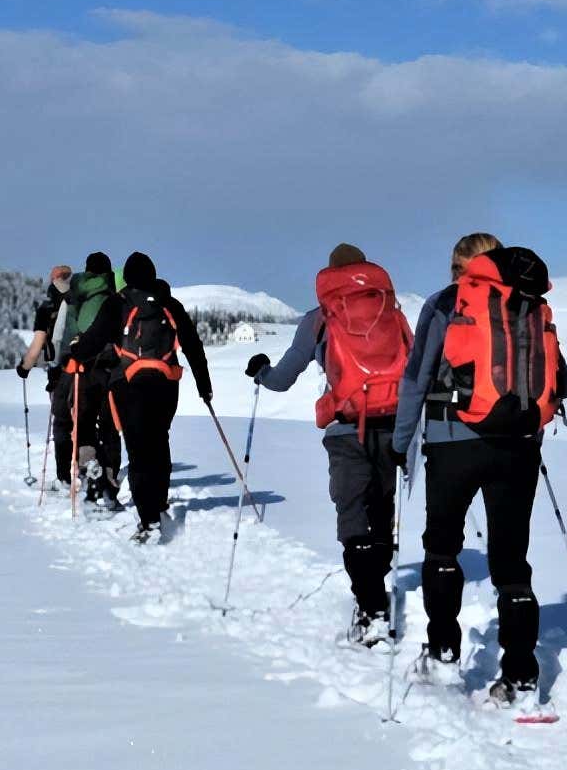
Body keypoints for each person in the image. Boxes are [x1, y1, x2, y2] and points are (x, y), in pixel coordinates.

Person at [390, 233, 567, 707]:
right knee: (512, 563)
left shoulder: (445, 303)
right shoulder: (530, 304)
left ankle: (443, 653)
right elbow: (564, 381)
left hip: (453, 443)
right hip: (518, 449)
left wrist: (400, 442)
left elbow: (417, 376)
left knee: (442, 547)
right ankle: (520, 675)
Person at [246, 243, 412, 645]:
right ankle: (376, 588)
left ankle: (370, 607)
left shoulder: (319, 318)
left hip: (345, 428)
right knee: (381, 510)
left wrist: (262, 372)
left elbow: (284, 378)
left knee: (352, 514)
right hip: (393, 426)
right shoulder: (392, 311)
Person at [69, 251, 213, 542]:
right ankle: (159, 503)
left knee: (137, 450)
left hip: (128, 383)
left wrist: (76, 355)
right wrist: (204, 386)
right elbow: (193, 345)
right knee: (159, 440)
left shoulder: (117, 303)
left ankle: (148, 520)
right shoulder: (169, 304)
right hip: (166, 383)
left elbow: (94, 339)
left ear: (127, 277)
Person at [20, 254, 122, 508]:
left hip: (70, 366)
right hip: (109, 365)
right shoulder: (108, 295)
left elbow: (46, 341)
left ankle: (68, 476)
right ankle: (106, 478)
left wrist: (26, 367)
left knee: (65, 422)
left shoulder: (55, 304)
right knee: (105, 424)